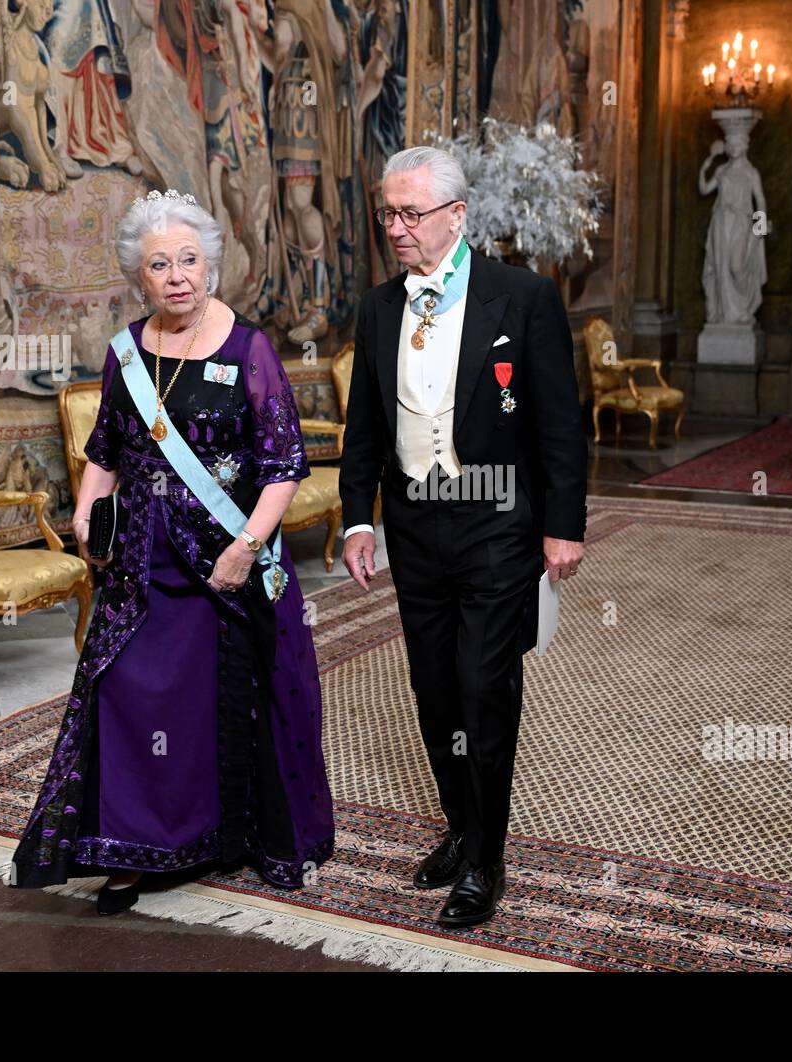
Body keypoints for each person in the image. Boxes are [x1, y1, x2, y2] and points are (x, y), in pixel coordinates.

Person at [9, 188, 334, 914]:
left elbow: (283, 466)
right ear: (140, 276)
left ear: (211, 266)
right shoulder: (127, 351)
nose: (177, 275)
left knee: (208, 703)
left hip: (223, 564)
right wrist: (90, 509)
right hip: (142, 565)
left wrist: (248, 546)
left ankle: (218, 835)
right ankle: (129, 848)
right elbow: (107, 449)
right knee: (125, 693)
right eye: (161, 264)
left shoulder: (249, 349)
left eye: (189, 259)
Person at [339, 146, 588, 927]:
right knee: (433, 689)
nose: (396, 228)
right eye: (388, 213)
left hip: (496, 523)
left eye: (411, 213)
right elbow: (363, 427)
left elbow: (560, 424)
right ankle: (461, 825)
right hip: (416, 525)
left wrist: (562, 527)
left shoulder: (523, 298)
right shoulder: (380, 307)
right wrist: (357, 516)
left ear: (457, 215)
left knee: (484, 689)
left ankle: (487, 860)